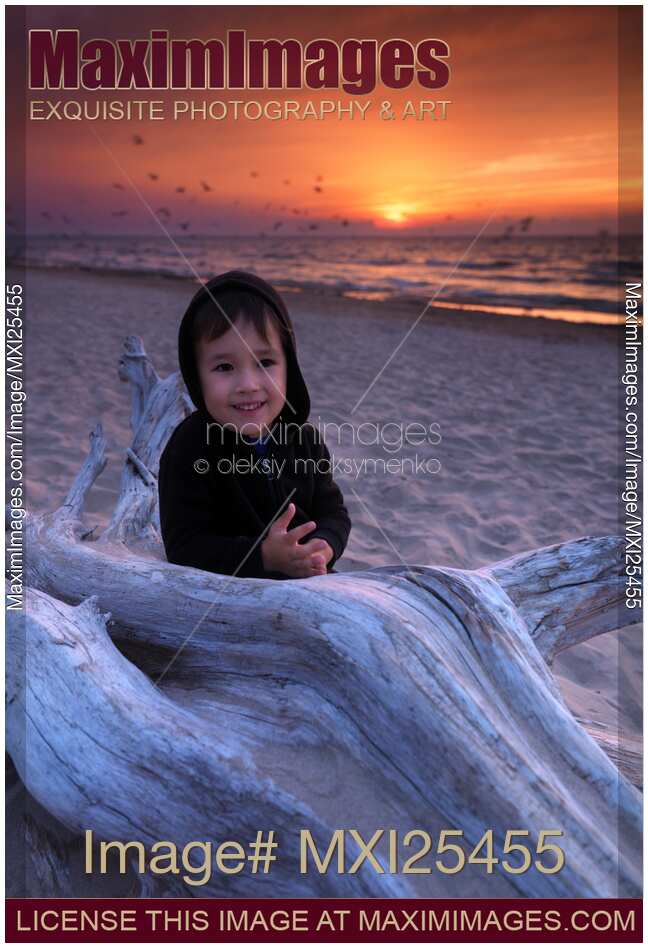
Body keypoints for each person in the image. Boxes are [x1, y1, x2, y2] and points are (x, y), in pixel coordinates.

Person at [158, 270, 351, 579]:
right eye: (224, 367)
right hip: (233, 598)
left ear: (289, 366)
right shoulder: (191, 446)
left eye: (265, 363)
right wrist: (263, 556)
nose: (248, 384)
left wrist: (322, 547)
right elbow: (184, 546)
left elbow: (333, 513)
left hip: (311, 584)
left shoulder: (305, 441)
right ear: (197, 376)